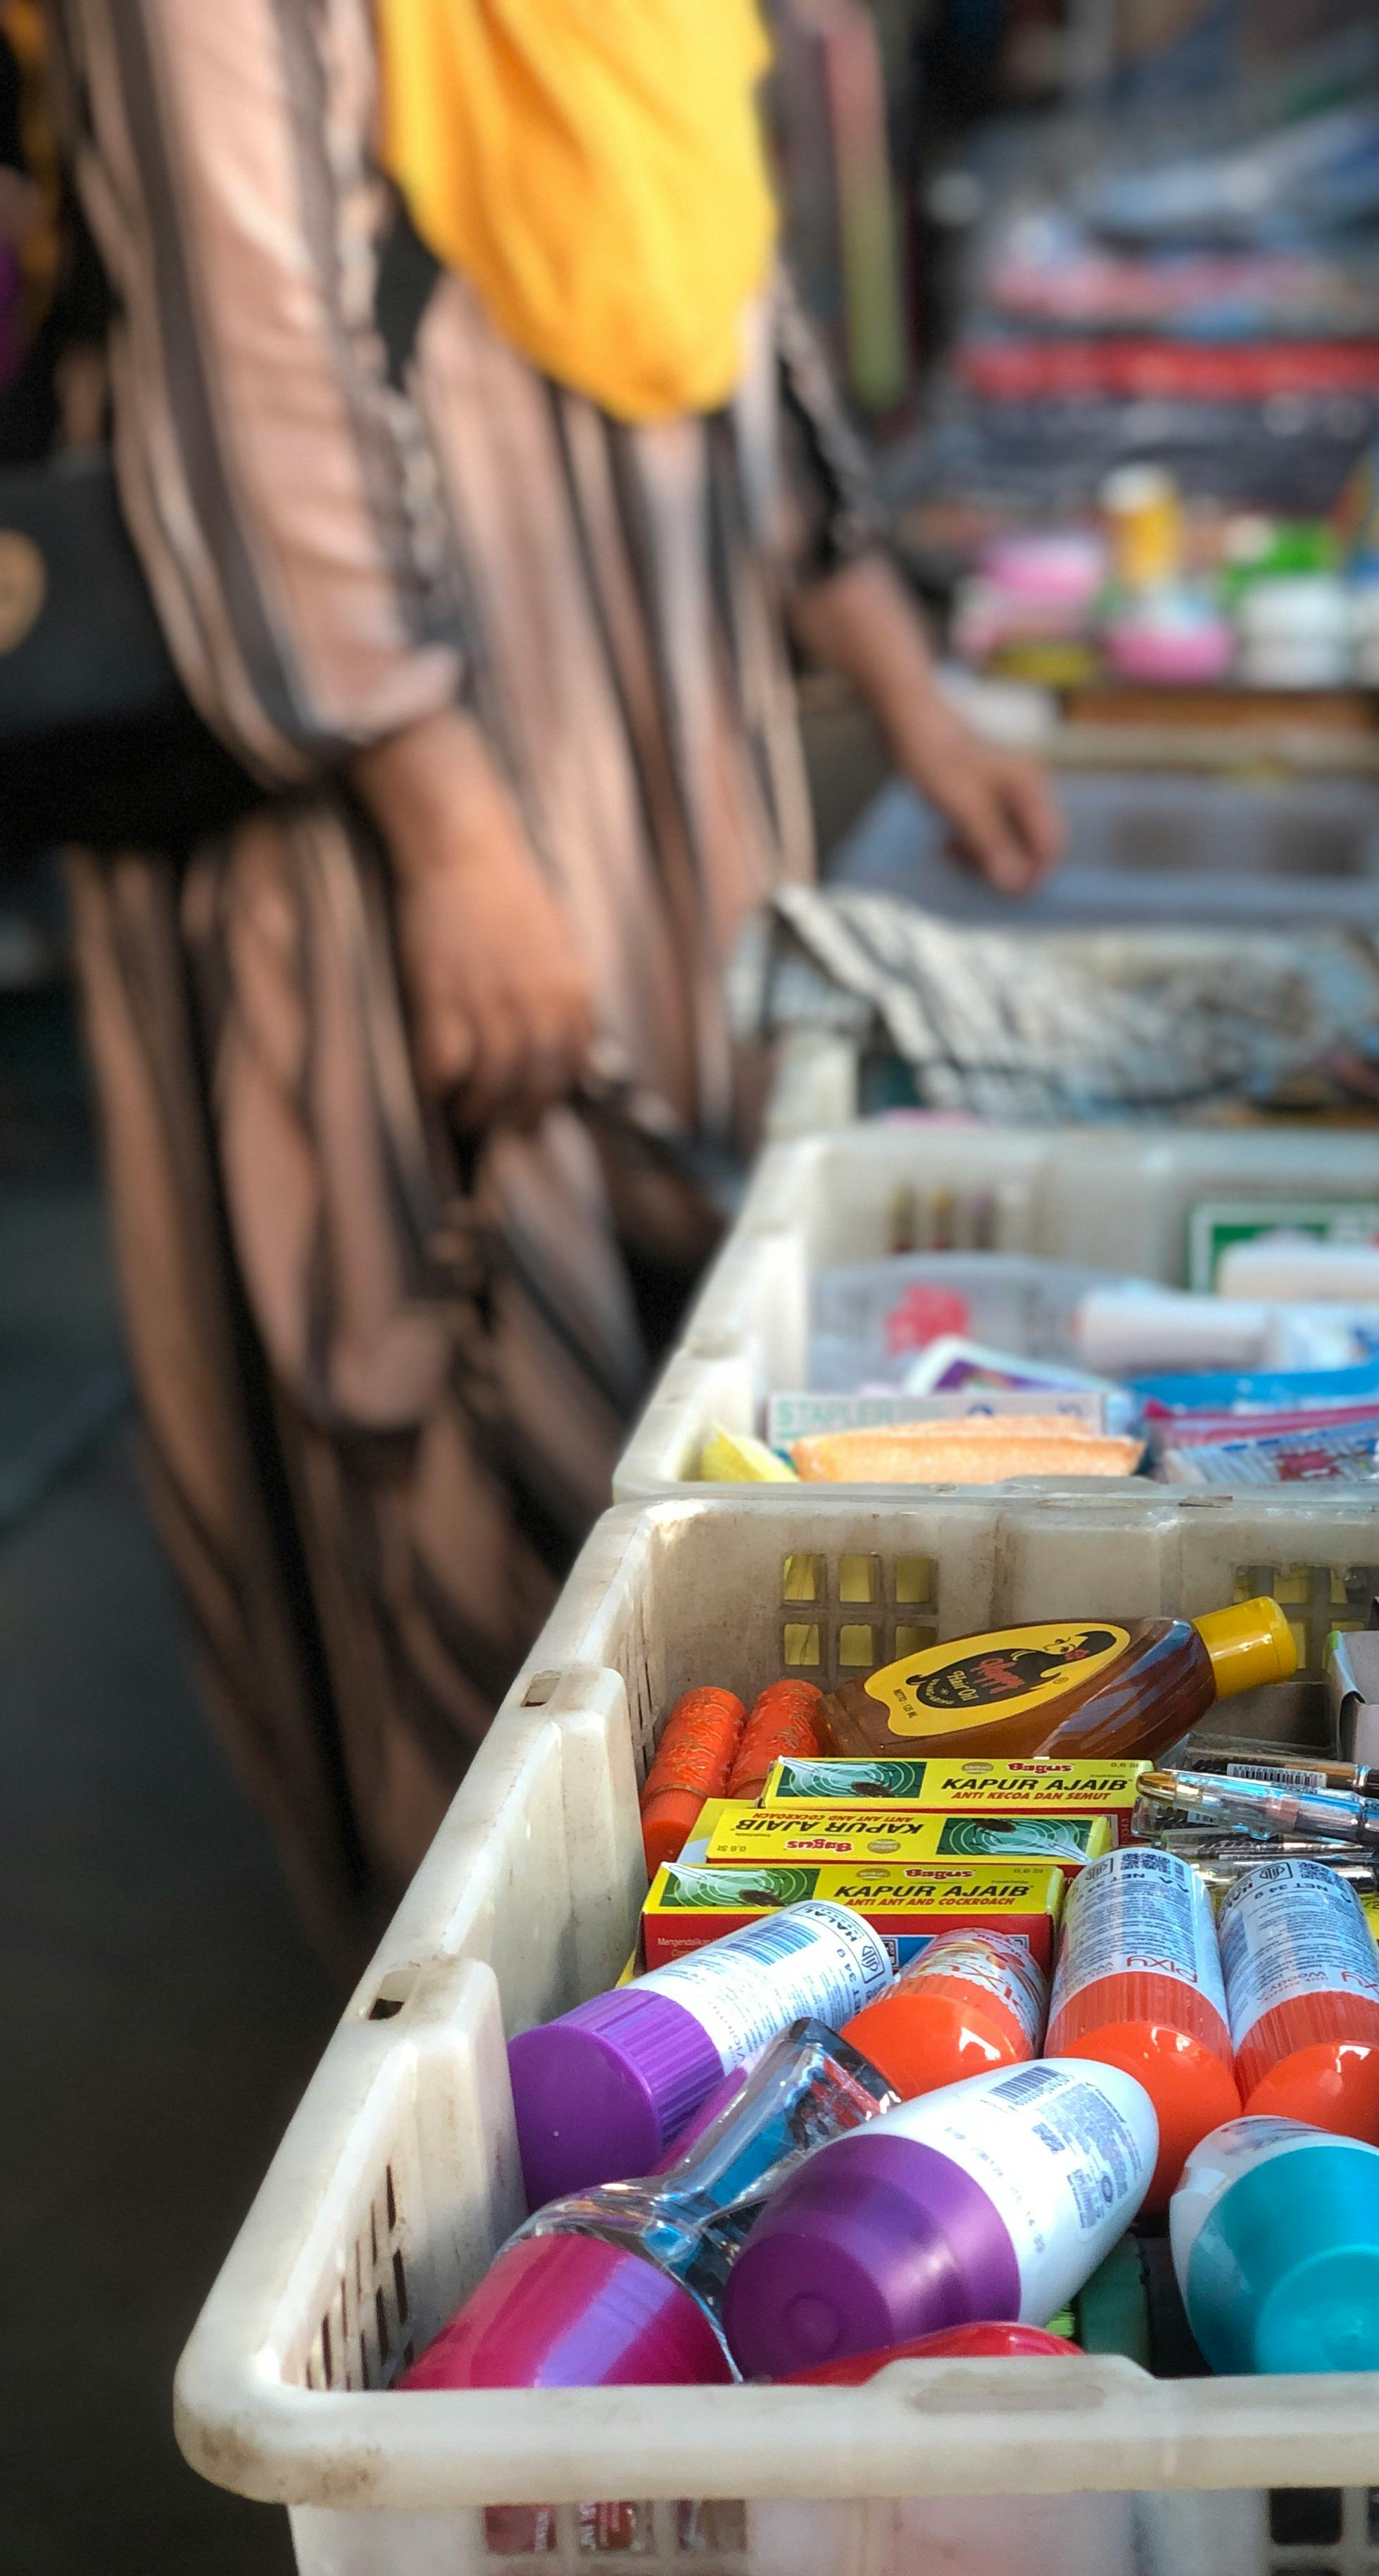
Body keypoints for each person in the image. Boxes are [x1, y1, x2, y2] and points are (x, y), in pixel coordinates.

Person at [47, 0, 1062, 1952]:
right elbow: (249, 347)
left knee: (666, 1366)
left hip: (649, 762)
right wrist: (446, 825)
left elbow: (708, 278)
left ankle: (670, 1965)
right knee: (435, 1379)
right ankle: (487, 2040)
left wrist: (906, 686)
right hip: (393, 820)